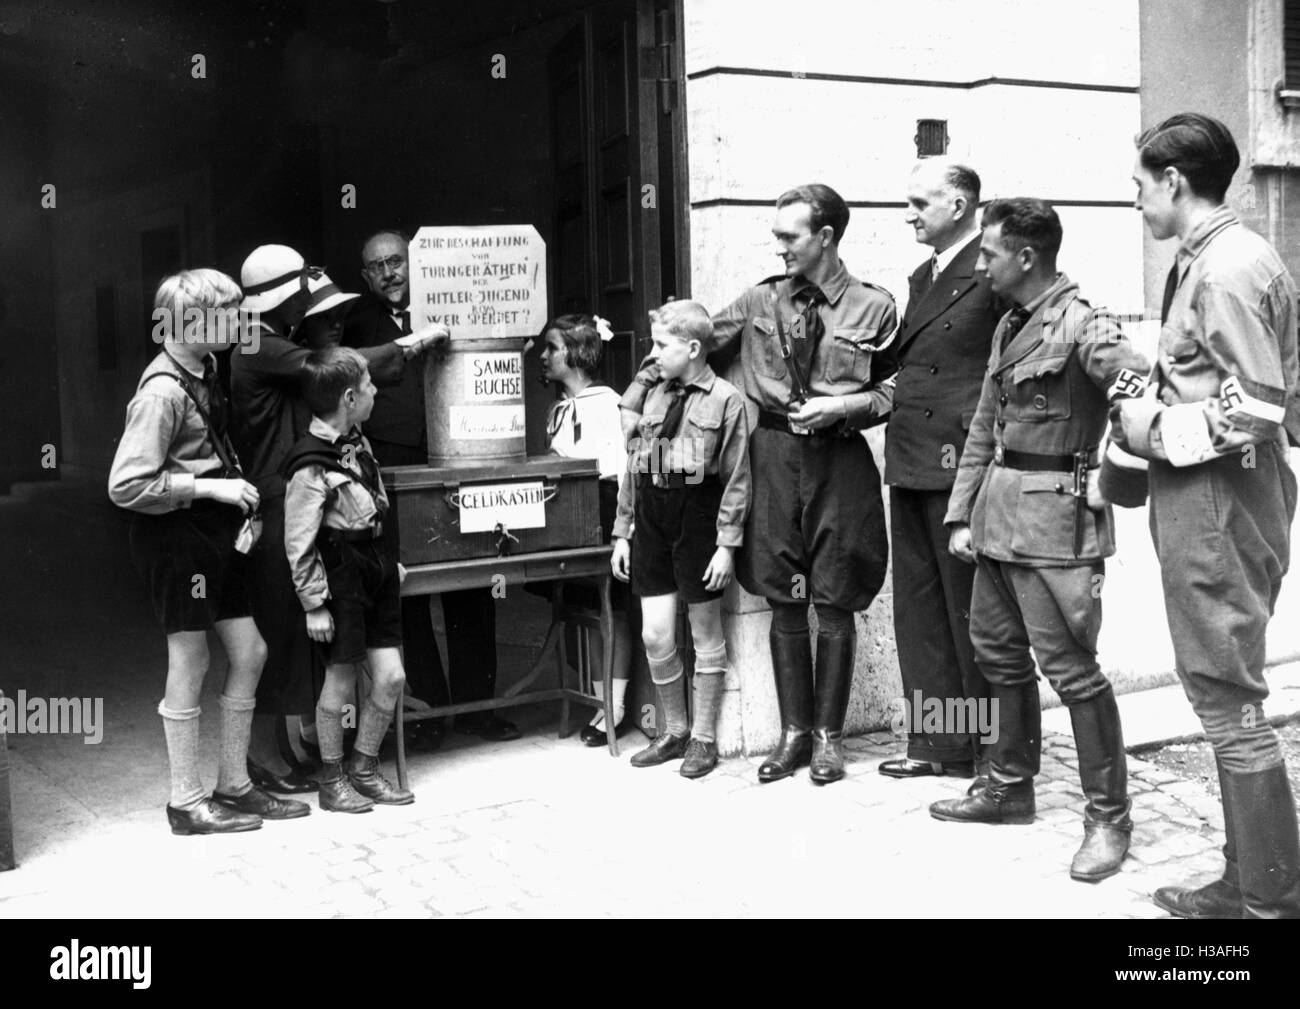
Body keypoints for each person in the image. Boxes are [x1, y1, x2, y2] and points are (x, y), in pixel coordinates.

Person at [928, 198, 1150, 884]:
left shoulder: (1086, 322)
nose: (981, 262)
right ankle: (1009, 784)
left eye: (989, 251)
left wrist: (1112, 478)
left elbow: (1141, 396)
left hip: (1056, 525)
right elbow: (984, 427)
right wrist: (961, 514)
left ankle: (1109, 815)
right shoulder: (1011, 324)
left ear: (1026, 256)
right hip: (998, 517)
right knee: (996, 652)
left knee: (1074, 672)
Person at [1114, 113, 1300, 917]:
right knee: (1226, 690)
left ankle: (1263, 895)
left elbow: (1258, 404)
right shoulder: (1233, 255)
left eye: (1139, 185)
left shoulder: (1221, 269)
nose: (1136, 201)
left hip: (1218, 503)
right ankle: (1256, 874)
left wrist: (1148, 427)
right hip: (1227, 497)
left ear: (1175, 183)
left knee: (1224, 695)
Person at [687, 183, 898, 785]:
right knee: (785, 592)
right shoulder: (758, 301)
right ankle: (793, 735)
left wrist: (848, 408)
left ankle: (829, 739)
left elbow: (902, 388)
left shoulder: (875, 307)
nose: (777, 246)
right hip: (773, 458)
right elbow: (691, 351)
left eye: (789, 236)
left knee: (834, 594)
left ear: (825, 237)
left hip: (840, 461)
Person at [231, 244, 441, 791]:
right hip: (279, 499)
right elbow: (331, 369)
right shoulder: (259, 342)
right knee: (280, 635)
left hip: (288, 496)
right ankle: (263, 761)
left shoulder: (270, 341)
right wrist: (413, 341)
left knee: (295, 642)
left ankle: (281, 755)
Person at [108, 268, 309, 833]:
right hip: (174, 536)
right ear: (188, 323)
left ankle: (234, 784)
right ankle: (185, 801)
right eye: (226, 316)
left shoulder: (206, 367)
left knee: (250, 653)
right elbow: (125, 486)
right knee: (191, 658)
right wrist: (209, 486)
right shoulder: (161, 393)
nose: (237, 325)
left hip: (214, 534)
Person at [342, 228, 519, 746]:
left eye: (396, 261)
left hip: (458, 455)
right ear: (365, 276)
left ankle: (477, 710)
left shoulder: (456, 304)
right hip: (392, 462)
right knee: (407, 590)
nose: (389, 273)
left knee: (473, 577)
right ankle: (428, 716)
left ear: (414, 262)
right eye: (376, 267)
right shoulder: (355, 324)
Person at [879, 159, 1000, 784]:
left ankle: (987, 754)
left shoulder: (994, 266)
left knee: (965, 613)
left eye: (920, 203)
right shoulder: (924, 274)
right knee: (920, 610)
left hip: (960, 463)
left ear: (958, 204)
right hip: (912, 457)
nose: (909, 215)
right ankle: (940, 744)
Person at [611, 300, 751, 778]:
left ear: (693, 348)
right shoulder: (652, 393)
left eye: (661, 345)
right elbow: (633, 464)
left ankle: (705, 740)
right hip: (651, 515)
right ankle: (675, 731)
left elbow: (736, 479)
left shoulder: (726, 399)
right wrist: (622, 533)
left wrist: (727, 546)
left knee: (705, 632)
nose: (652, 354)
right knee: (655, 632)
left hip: (698, 515)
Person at [282, 346, 414, 812]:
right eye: (370, 385)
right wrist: (314, 602)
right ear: (349, 398)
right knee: (340, 679)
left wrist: (386, 559)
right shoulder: (310, 461)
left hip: (373, 563)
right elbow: (299, 542)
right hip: (341, 573)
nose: (377, 390)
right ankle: (331, 779)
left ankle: (364, 766)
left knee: (391, 675)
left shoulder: (357, 440)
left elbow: (374, 499)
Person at [538, 313, 634, 743]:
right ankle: (599, 703)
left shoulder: (611, 406)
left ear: (575, 355)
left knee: (610, 610)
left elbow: (620, 474)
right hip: (570, 519)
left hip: (603, 512)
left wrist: (620, 533)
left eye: (551, 348)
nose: (543, 356)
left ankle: (614, 710)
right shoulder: (559, 411)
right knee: (589, 612)